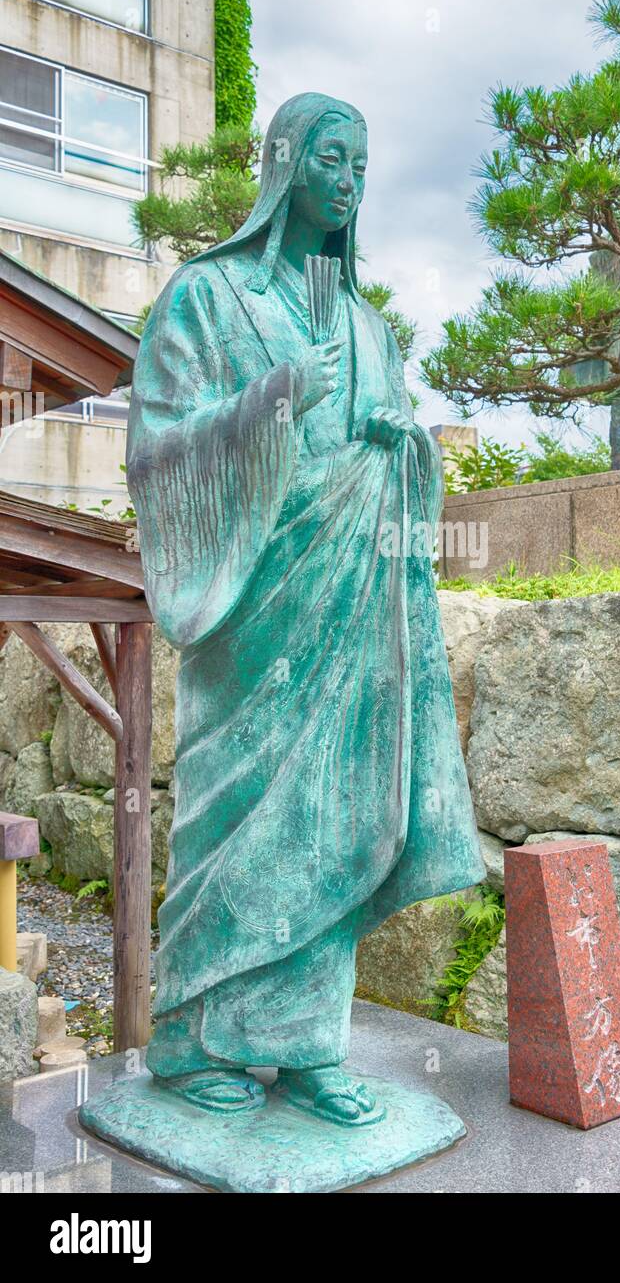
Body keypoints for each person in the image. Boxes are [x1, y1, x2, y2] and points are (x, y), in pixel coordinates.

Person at [126, 92, 485, 1125]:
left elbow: (409, 460)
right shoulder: (205, 296)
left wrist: (396, 440)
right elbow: (158, 449)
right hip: (253, 609)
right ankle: (196, 1038)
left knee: (338, 813)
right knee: (241, 816)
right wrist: (273, 399)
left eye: (364, 165)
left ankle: (311, 1041)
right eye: (332, 157)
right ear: (286, 163)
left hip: (351, 607)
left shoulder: (370, 325)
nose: (350, 179)